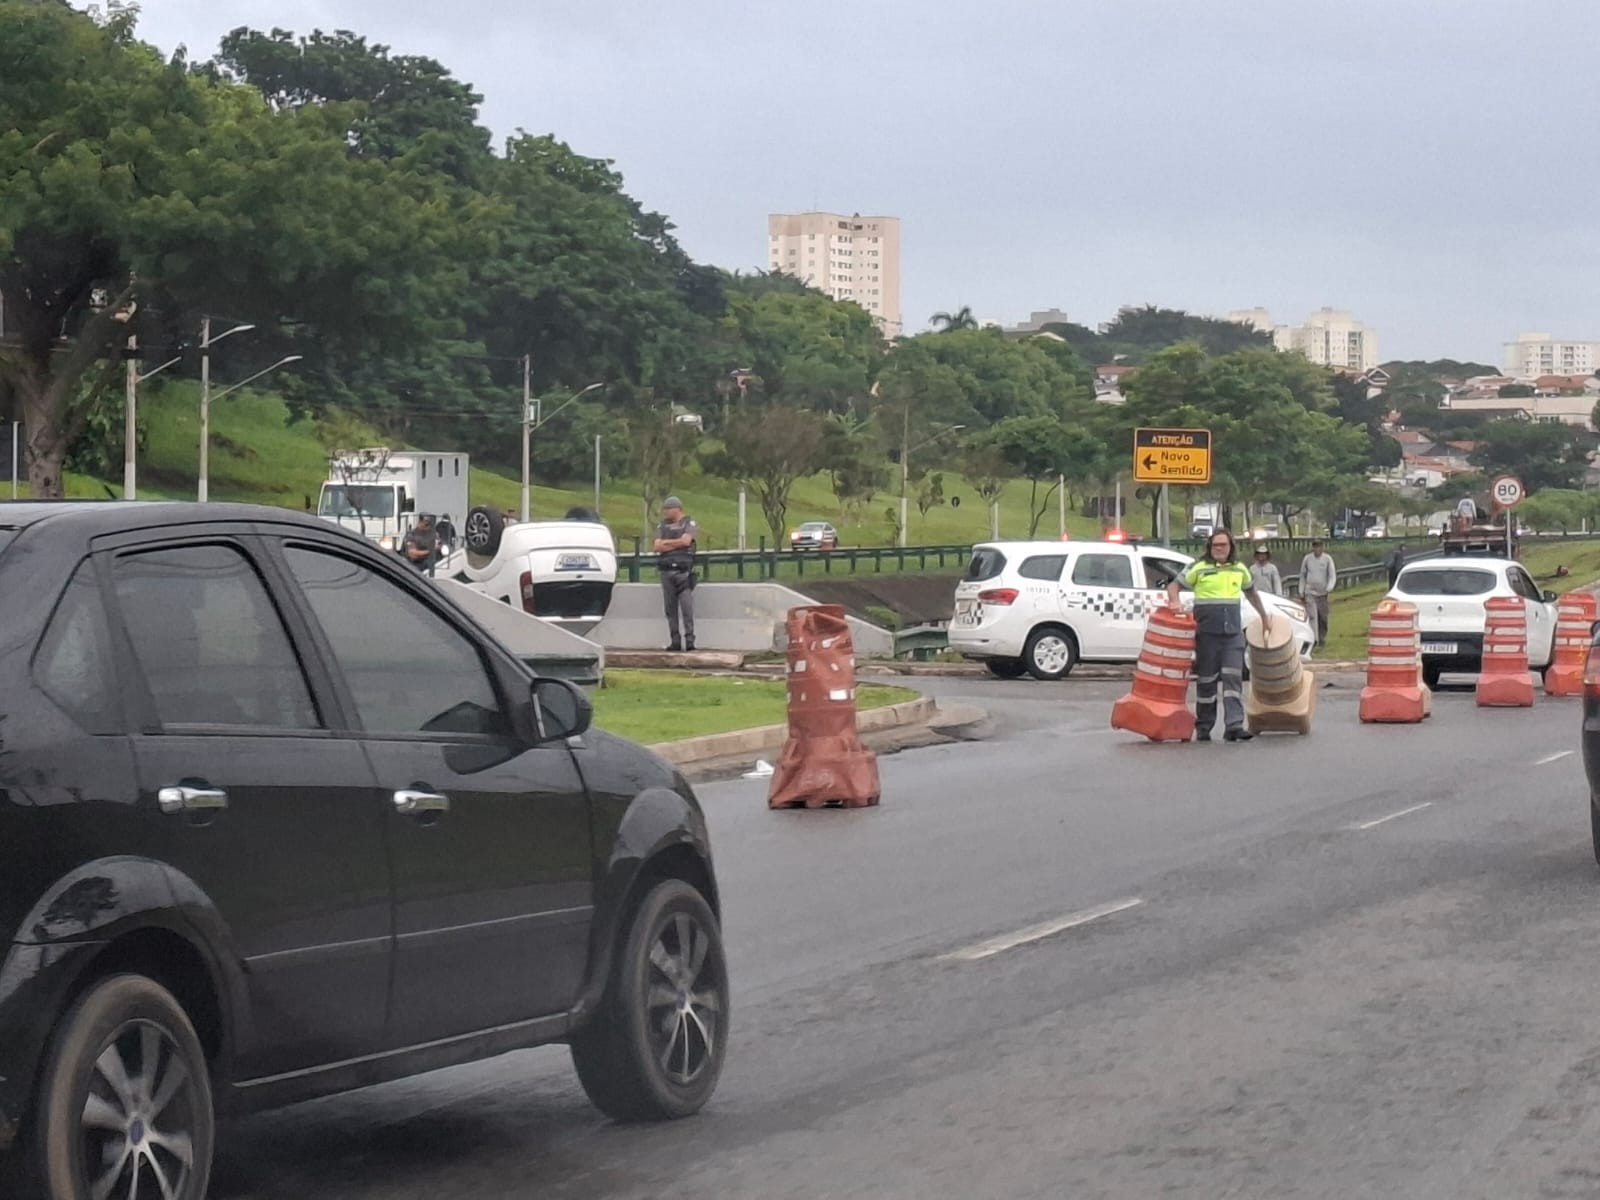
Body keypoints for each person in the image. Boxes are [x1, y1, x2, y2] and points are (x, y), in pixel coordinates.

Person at [1166, 529, 1273, 743]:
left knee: (1233, 680)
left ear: (1230, 547)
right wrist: (1174, 601)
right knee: (1207, 682)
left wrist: (1264, 617)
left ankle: (1234, 726)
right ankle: (1204, 726)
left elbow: (1251, 593)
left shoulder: (1239, 569)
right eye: (1215, 545)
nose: (1219, 549)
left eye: (1223, 545)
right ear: (1209, 547)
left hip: (1232, 634)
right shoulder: (1199, 567)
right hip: (1207, 635)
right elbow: (1174, 585)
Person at [654, 495, 698, 651]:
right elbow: (657, 546)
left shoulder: (688, 523)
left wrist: (667, 543)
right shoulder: (662, 525)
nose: (666, 512)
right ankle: (675, 641)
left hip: (683, 571)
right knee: (670, 609)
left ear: (677, 509)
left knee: (687, 608)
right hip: (666, 571)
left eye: (668, 509)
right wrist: (677, 543)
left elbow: (686, 541)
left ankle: (690, 640)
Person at [1298, 539, 1337, 646]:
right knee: (1312, 616)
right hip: (1310, 591)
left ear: (1322, 547)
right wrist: (1301, 591)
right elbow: (1302, 575)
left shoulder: (1327, 559)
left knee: (1322, 617)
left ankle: (1322, 637)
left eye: (1319, 546)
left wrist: (1329, 587)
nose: (1317, 549)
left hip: (1323, 593)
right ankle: (1314, 639)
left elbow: (1332, 575)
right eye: (1315, 546)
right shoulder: (1308, 559)